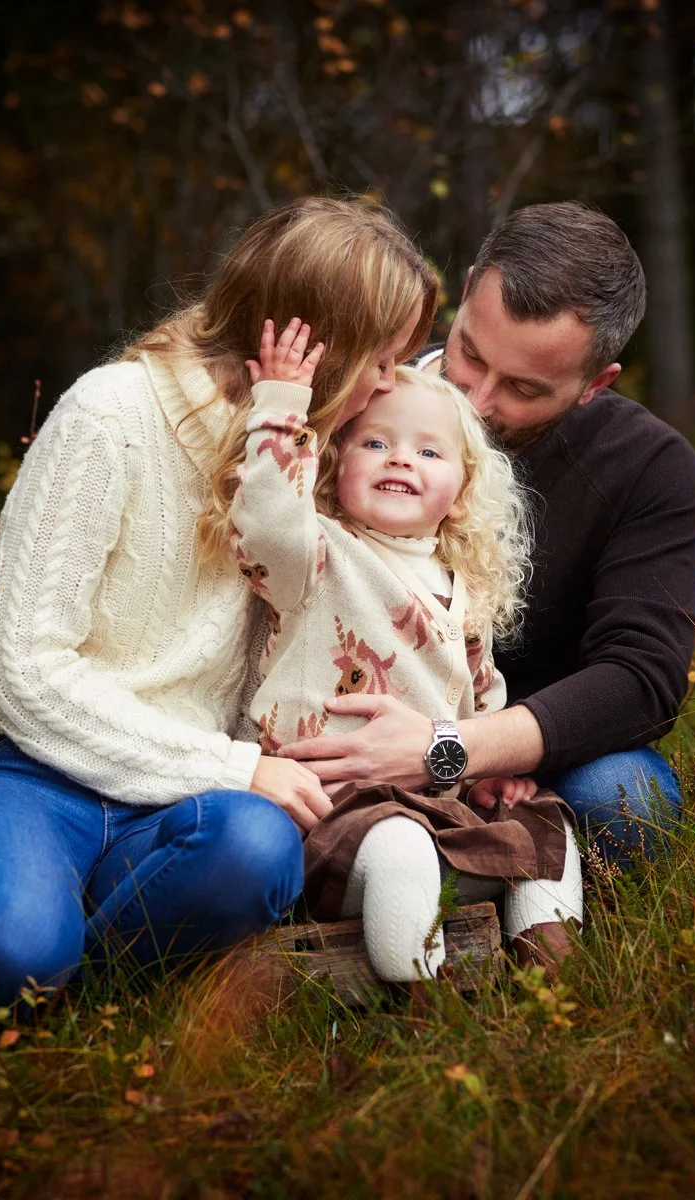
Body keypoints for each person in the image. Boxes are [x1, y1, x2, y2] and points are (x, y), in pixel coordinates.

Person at [0, 203, 695, 877]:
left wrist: (453, 749)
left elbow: (643, 678)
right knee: (281, 831)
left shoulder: (649, 467)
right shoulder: (354, 397)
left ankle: (516, 914)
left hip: (511, 745)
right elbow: (236, 558)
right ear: (466, 294)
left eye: (525, 388)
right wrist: (9, 709)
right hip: (325, 741)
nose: (475, 396)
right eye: (469, 352)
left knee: (627, 800)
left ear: (596, 383)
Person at [0, 197, 439, 1040]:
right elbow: (24, 672)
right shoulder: (111, 414)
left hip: (177, 805)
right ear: (314, 347)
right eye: (383, 360)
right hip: (32, 772)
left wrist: (461, 748)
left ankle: (64, 1008)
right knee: (11, 943)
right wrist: (230, 767)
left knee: (259, 850)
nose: (391, 383)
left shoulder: (322, 465)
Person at [233, 317, 581, 982]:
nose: (400, 459)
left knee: (546, 822)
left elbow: (480, 699)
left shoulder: (462, 586)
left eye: (428, 451)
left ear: (463, 490)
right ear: (335, 466)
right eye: (375, 442)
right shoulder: (320, 556)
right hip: (336, 824)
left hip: (444, 815)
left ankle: (552, 981)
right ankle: (425, 1001)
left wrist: (488, 776)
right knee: (402, 843)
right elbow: (267, 527)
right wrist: (281, 407)